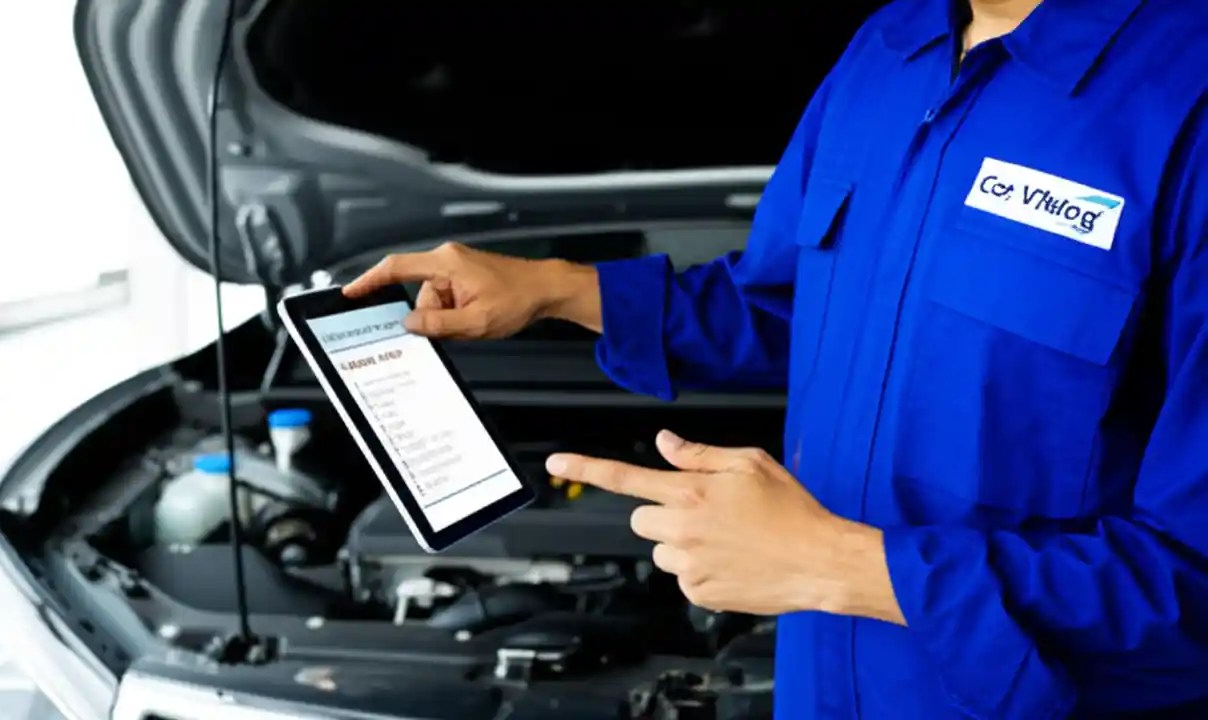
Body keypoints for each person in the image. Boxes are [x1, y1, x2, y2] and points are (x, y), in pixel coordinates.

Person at [343, 0, 1208, 716]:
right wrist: (561, 289)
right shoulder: (890, 48)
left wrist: (838, 564)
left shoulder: (1185, 101)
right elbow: (799, 305)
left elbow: (1193, 583)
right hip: (820, 686)